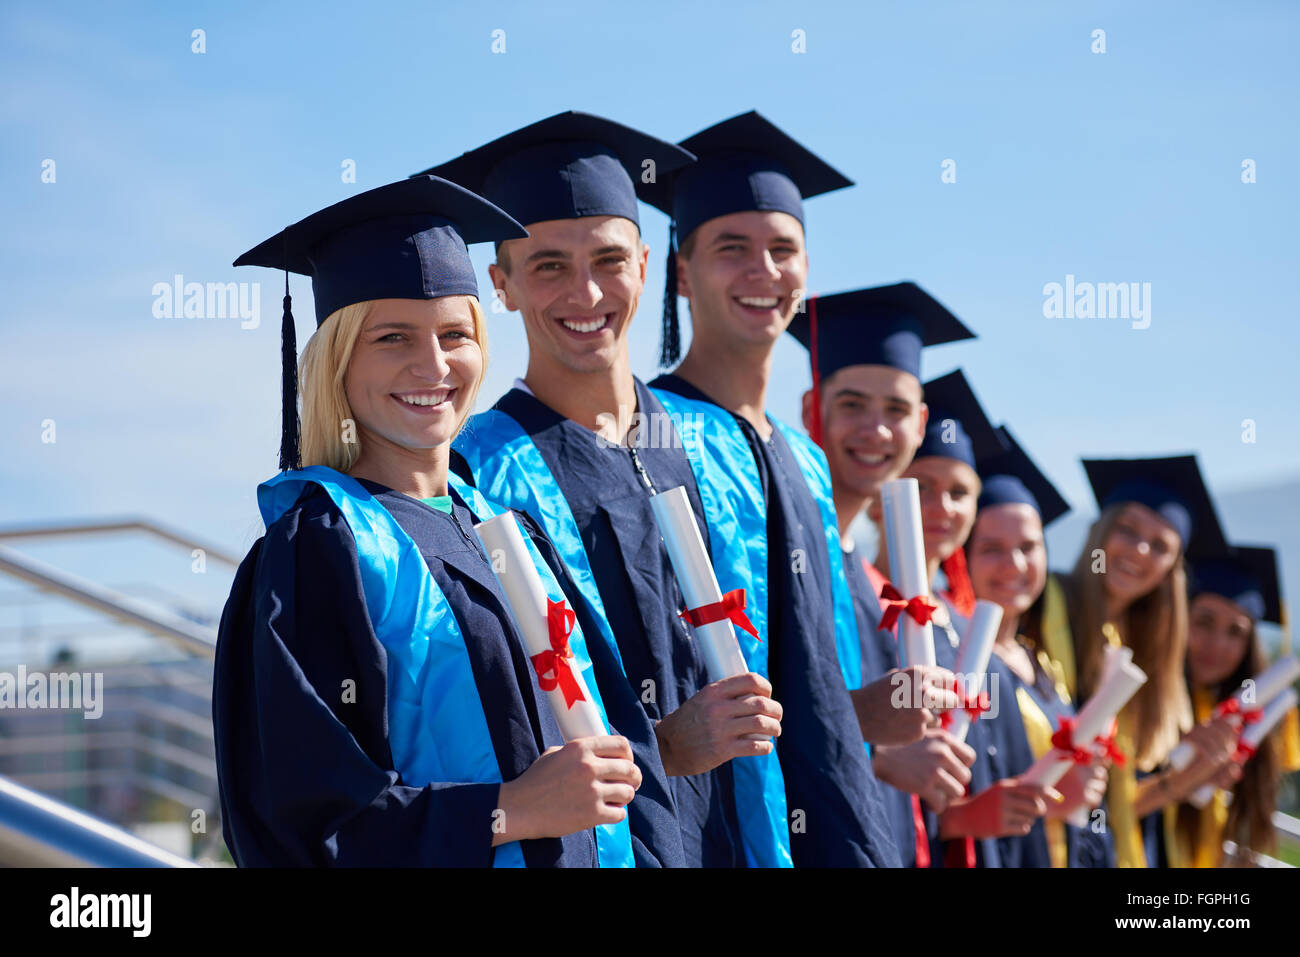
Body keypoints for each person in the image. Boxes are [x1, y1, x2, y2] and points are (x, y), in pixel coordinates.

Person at [213, 175, 677, 867]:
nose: (432, 364)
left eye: (454, 334)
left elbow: (622, 751)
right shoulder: (320, 547)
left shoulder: (506, 527)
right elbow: (301, 819)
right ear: (338, 362)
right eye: (393, 337)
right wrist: (508, 810)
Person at [418, 111, 785, 867]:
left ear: (647, 266)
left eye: (609, 260)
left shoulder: (718, 447)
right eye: (548, 264)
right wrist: (664, 747)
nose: (585, 291)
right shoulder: (474, 476)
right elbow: (493, 719)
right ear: (501, 285)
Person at [643, 111, 902, 866]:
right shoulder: (648, 432)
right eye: (733, 248)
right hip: (711, 830)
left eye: (783, 249)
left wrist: (873, 714)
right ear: (683, 273)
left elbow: (820, 686)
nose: (764, 270)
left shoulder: (806, 459)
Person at [787, 282, 974, 867]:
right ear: (811, 412)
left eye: (895, 410)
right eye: (851, 406)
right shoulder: (778, 560)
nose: (876, 430)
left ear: (920, 425)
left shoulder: (877, 586)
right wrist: (879, 756)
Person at [866, 369, 1058, 866]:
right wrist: (953, 821)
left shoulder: (971, 635)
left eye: (959, 492)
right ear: (879, 498)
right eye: (921, 486)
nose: (941, 507)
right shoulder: (852, 603)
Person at [1050, 454, 1229, 867]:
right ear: (1100, 532)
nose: (1139, 550)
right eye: (1127, 530)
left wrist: (1187, 777)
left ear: (1171, 570)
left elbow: (1108, 810)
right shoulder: (1046, 611)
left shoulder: (1142, 659)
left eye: (1161, 545)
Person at [965, 425, 1114, 867]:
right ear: (963, 555)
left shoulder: (1040, 661)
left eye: (1029, 547)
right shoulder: (956, 662)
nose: (1014, 565)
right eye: (992, 548)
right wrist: (1051, 801)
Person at [1163, 545, 1300, 866]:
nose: (1217, 645)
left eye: (1235, 632)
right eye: (1204, 622)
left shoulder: (1239, 717)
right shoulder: (1146, 704)